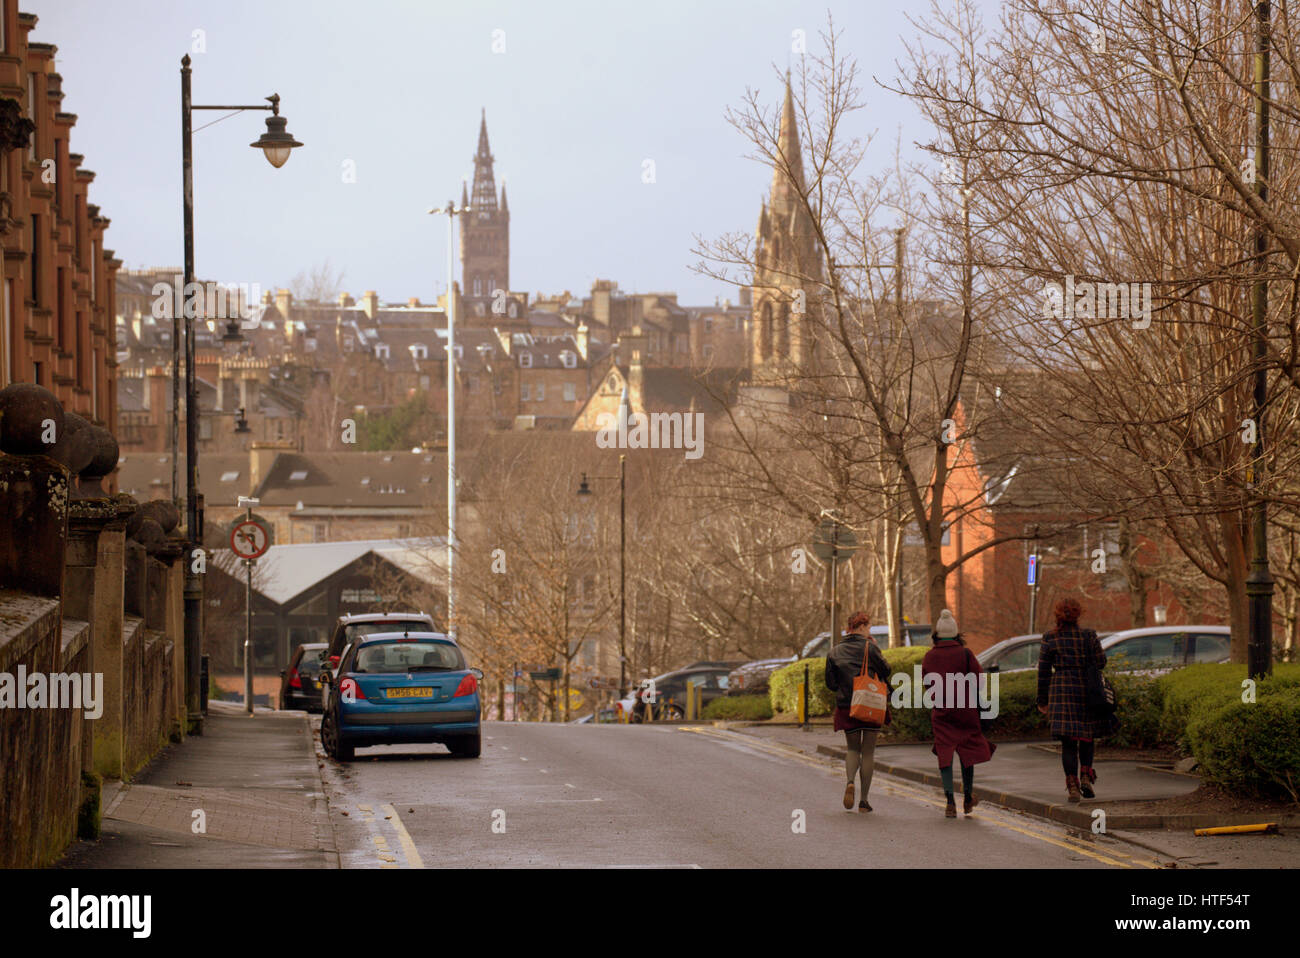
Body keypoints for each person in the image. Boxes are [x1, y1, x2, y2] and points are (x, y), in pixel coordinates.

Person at [1037, 597, 1117, 802]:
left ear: (1057, 615)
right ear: (1079, 614)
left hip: (1062, 690)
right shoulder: (1088, 636)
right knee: (1087, 736)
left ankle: (1072, 785)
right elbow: (1101, 662)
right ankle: (1086, 776)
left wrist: (1042, 700)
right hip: (1086, 689)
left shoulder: (1050, 638)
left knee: (1069, 742)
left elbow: (1043, 672)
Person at [921, 609, 996, 818]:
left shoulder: (930, 656)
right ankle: (968, 798)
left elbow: (927, 683)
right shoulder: (965, 654)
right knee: (967, 753)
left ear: (937, 634)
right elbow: (980, 681)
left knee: (945, 754)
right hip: (966, 710)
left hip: (942, 712)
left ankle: (949, 802)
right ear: (955, 634)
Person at [824, 611, 891, 813]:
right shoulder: (870, 647)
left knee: (853, 749)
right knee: (868, 751)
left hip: (847, 706)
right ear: (861, 627)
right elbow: (886, 670)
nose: (869, 630)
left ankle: (850, 781)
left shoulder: (834, 651)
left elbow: (830, 683)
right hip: (870, 704)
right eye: (869, 627)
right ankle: (864, 800)